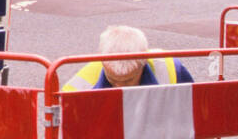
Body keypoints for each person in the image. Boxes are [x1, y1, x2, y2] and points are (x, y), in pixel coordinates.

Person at [61, 25, 193, 92]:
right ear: (102, 62)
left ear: (144, 62)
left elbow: (200, 114)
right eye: (113, 80)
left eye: (128, 80)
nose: (120, 88)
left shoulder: (169, 66)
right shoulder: (76, 89)